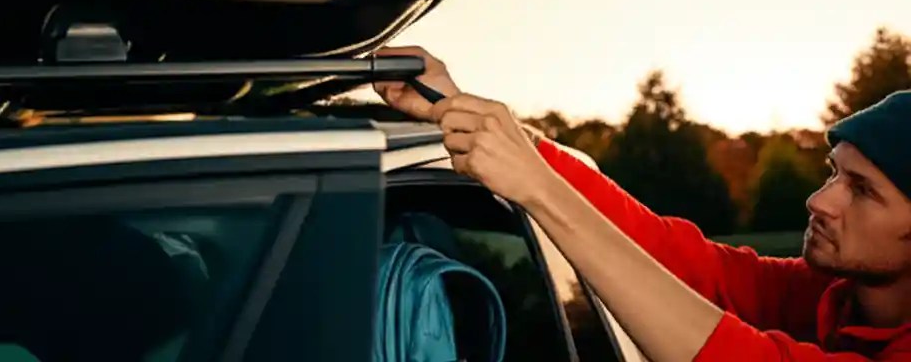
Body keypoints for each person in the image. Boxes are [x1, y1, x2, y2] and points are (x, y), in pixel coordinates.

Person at [373, 45, 911, 362]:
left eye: (863, 191)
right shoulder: (831, 293)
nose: (820, 200)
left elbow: (726, 354)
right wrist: (463, 110)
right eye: (833, 172)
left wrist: (537, 188)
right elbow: (682, 259)